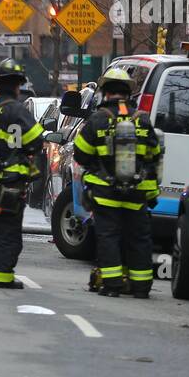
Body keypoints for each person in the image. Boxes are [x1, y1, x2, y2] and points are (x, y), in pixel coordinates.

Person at [73, 66, 162, 298]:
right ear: (128, 92)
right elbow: (154, 154)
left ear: (106, 92)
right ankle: (141, 287)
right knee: (139, 239)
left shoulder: (99, 119)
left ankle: (112, 285)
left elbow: (80, 155)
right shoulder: (142, 119)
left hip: (105, 193)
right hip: (137, 193)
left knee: (108, 237)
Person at [0, 58, 42, 289]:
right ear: (16, 85)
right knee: (7, 231)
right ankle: (1, 276)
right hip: (10, 184)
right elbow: (36, 141)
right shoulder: (17, 111)